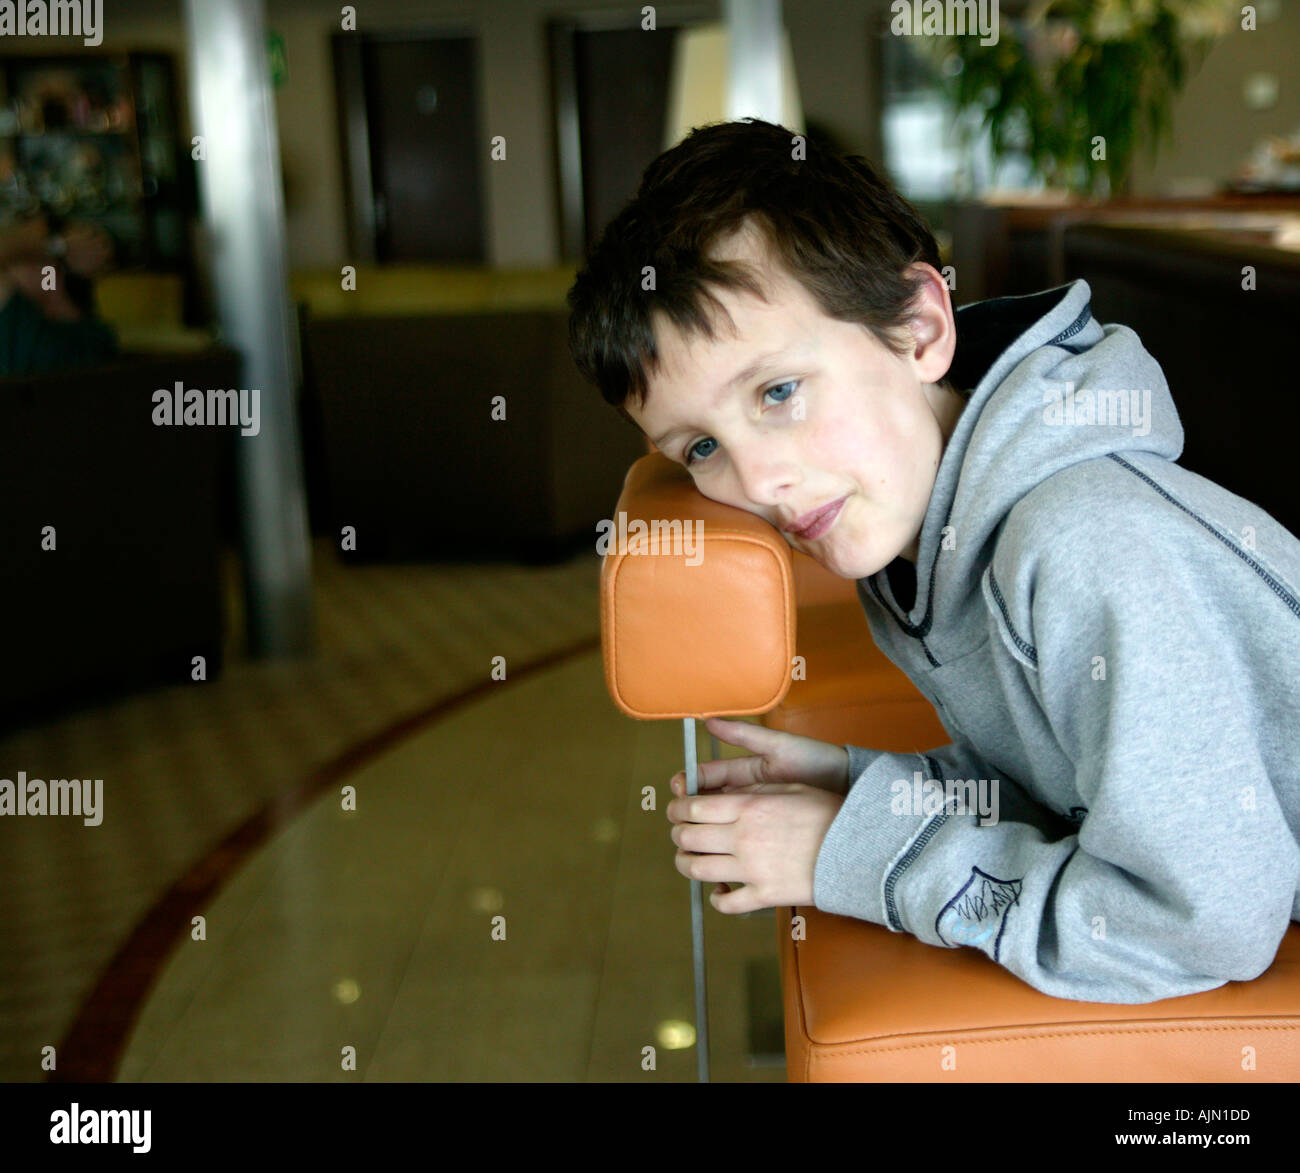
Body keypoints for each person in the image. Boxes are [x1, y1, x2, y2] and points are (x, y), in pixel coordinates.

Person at [566, 118, 1300, 1004]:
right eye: (700, 448)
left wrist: (853, 854)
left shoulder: (1084, 543)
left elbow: (1200, 923)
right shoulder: (917, 531)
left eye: (778, 392)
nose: (759, 478)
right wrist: (862, 784)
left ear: (919, 328)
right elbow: (1072, 785)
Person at [0, 214, 118, 375]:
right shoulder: (98, 338)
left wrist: (55, 246)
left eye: (20, 258)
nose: (9, 271)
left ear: (49, 275)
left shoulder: (30, 330)